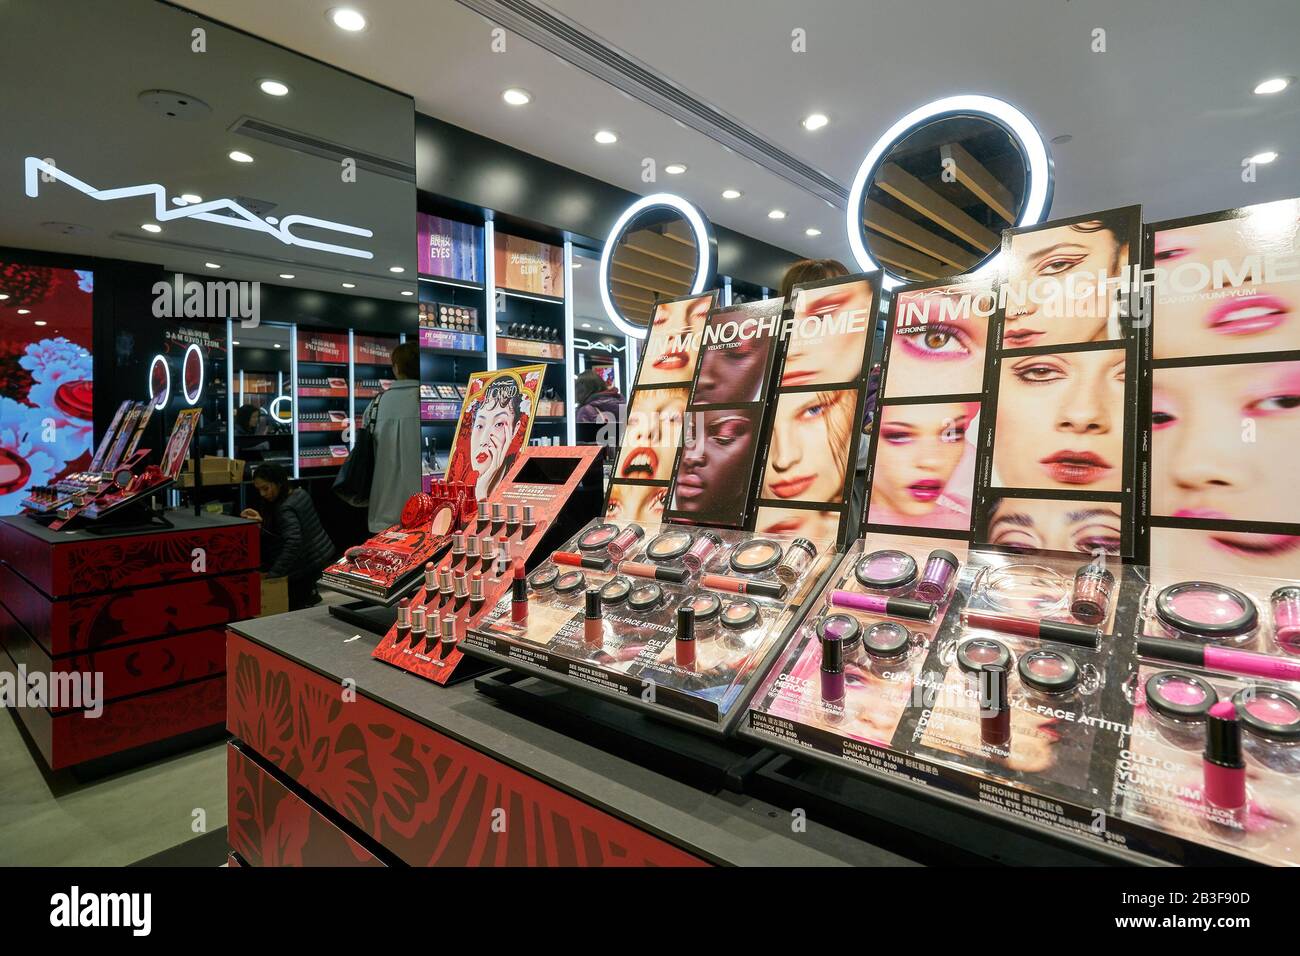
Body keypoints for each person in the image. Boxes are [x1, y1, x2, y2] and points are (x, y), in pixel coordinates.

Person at [240, 463, 336, 609]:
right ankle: (310, 594)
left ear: (278, 483)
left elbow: (292, 544)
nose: (262, 494)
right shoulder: (299, 493)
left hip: (308, 563)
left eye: (265, 488)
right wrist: (261, 522)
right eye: (259, 489)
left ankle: (307, 596)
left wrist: (274, 575)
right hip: (320, 553)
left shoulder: (285, 509)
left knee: (291, 603)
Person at [365, 342, 421, 532]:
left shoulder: (376, 405)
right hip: (429, 510)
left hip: (384, 511)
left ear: (396, 368)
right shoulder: (431, 403)